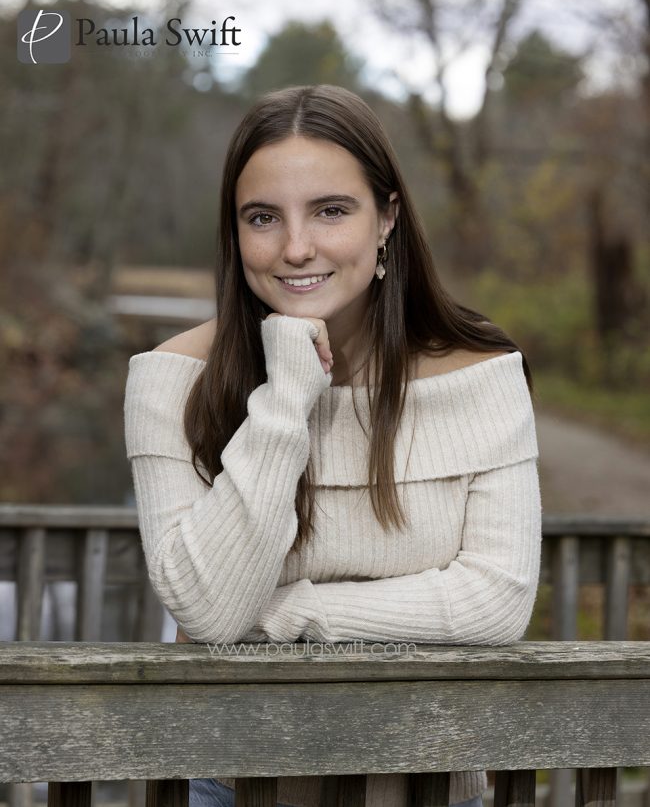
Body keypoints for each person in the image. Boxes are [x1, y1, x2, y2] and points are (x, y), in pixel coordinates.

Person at [123, 84, 542, 807]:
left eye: (330, 209)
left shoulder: (485, 377)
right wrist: (287, 394)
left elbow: (496, 602)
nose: (294, 247)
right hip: (236, 789)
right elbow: (213, 613)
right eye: (263, 217)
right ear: (235, 232)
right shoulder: (170, 382)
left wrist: (286, 614)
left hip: (436, 791)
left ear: (386, 217)